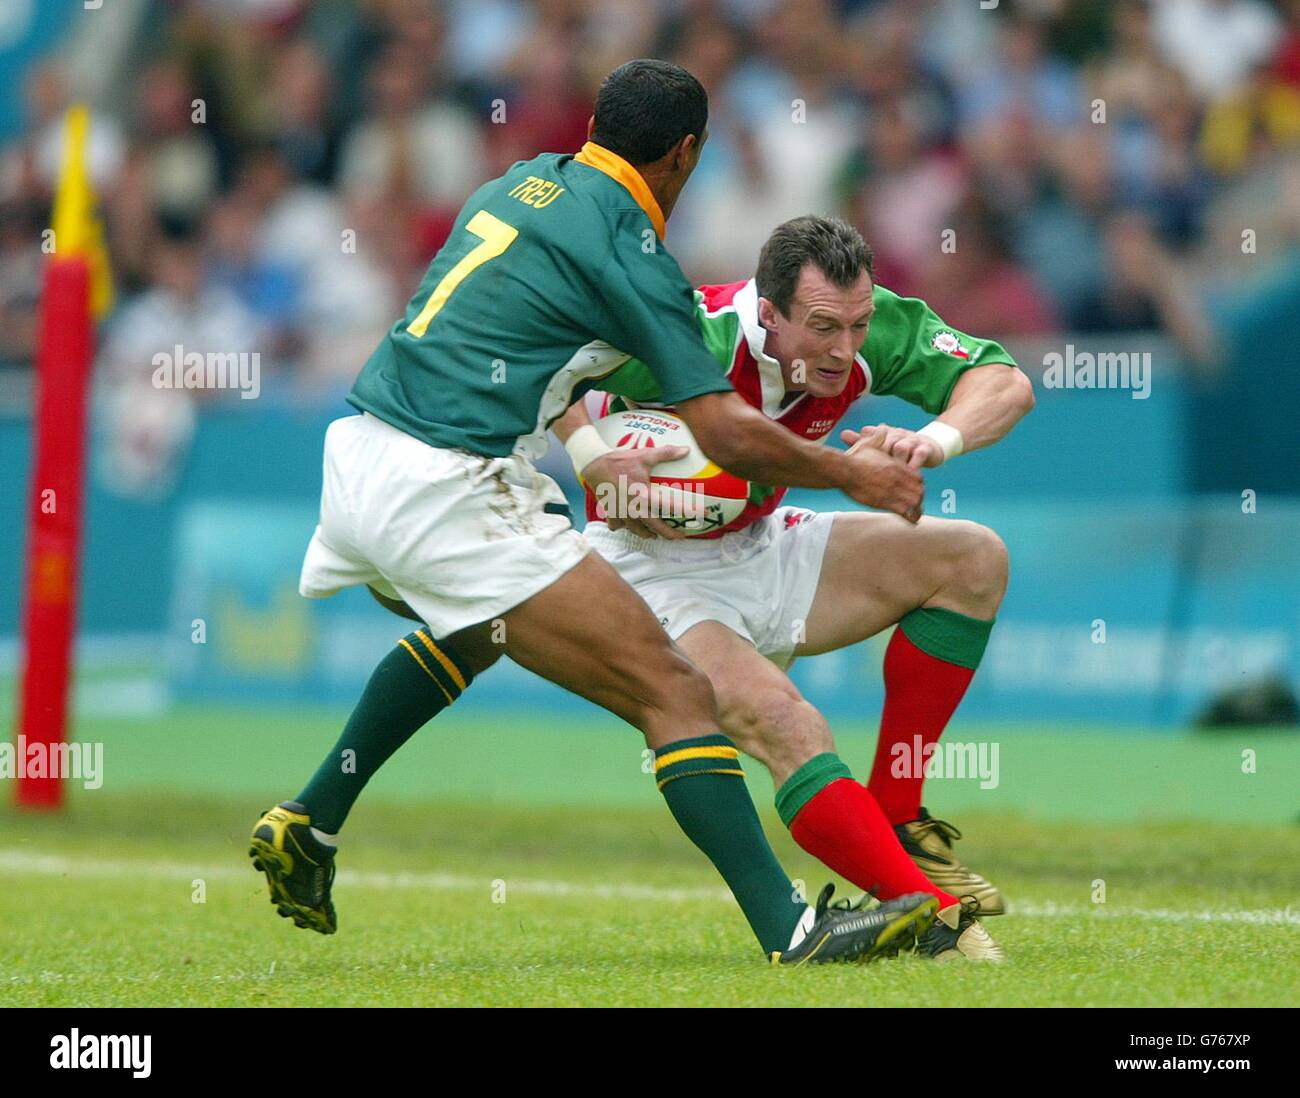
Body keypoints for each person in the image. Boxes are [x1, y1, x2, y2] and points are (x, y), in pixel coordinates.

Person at [249, 61, 935, 965]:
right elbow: (727, 432)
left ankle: (312, 821)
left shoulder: (519, 182)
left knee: (483, 628)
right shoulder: (634, 256)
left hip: (361, 457)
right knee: (675, 690)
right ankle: (795, 930)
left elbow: (531, 334)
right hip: (449, 489)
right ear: (686, 153)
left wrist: (589, 450)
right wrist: (849, 477)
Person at [555, 215, 1035, 959]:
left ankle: (897, 814)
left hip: (759, 542)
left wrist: (926, 441)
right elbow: (532, 351)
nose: (846, 349)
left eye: (858, 324)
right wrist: (590, 456)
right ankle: (939, 919)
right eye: (822, 327)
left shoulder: (863, 333)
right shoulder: (687, 332)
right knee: (789, 726)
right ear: (768, 312)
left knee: (975, 559)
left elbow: (1006, 383)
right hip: (649, 570)